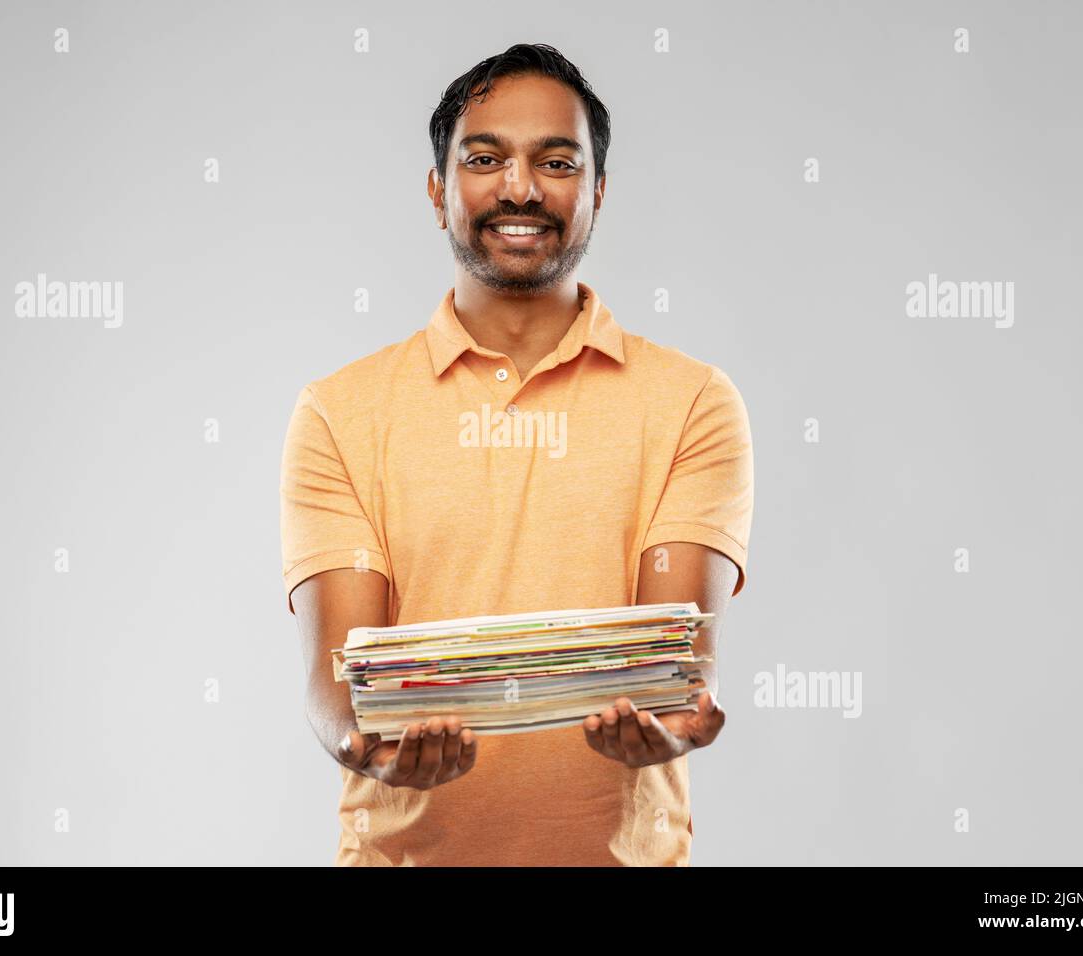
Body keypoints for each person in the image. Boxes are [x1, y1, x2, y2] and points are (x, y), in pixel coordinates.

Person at [280, 43, 753, 866]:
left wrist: (671, 721)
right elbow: (338, 680)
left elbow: (678, 660)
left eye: (557, 161)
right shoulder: (339, 411)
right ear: (438, 192)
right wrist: (369, 747)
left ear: (598, 192)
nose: (520, 187)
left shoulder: (693, 402)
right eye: (485, 157)